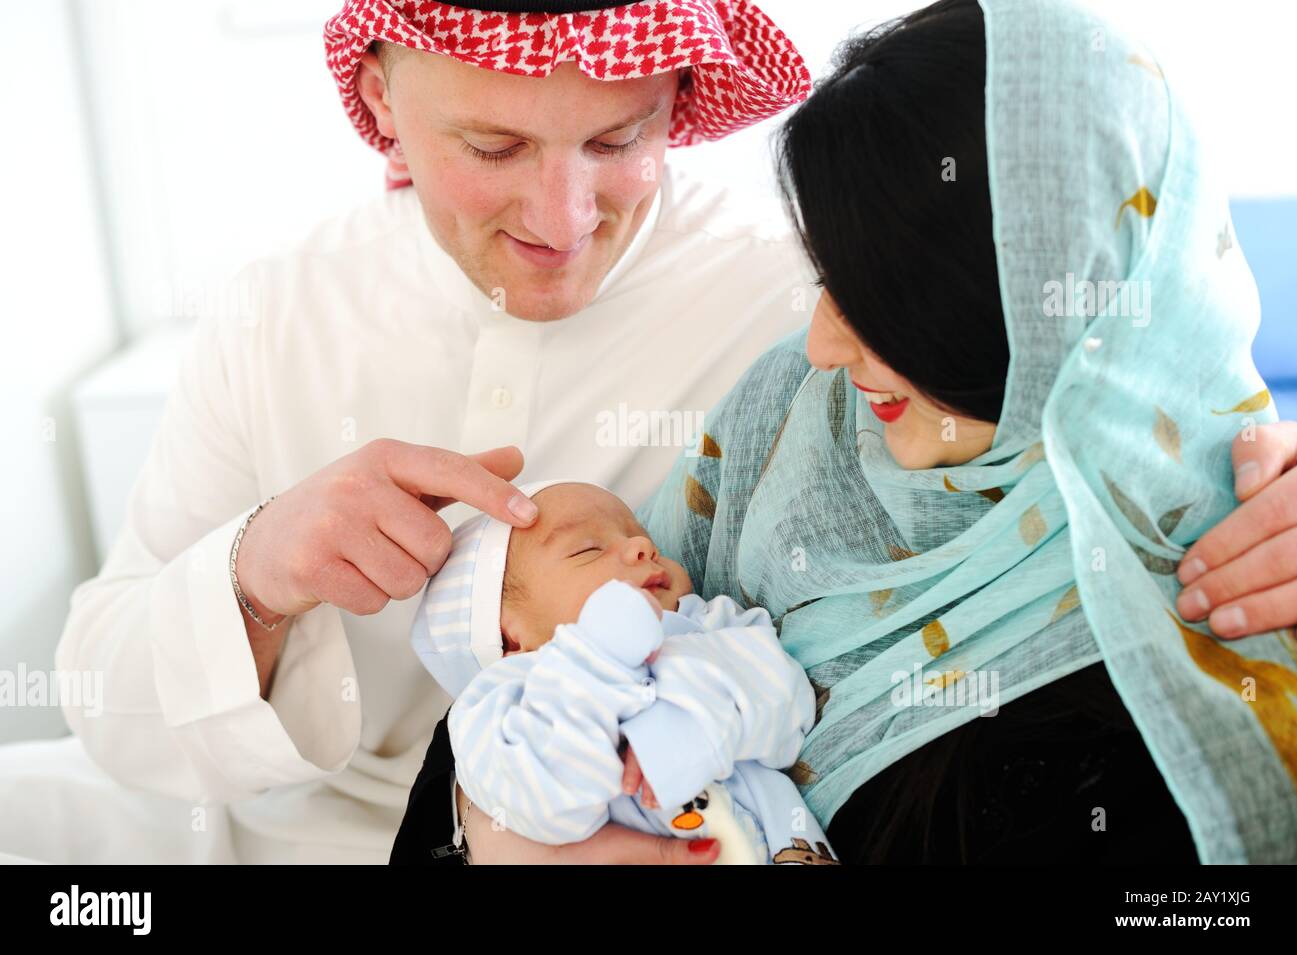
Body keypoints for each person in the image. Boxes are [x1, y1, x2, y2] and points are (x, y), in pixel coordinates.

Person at [415, 0, 1297, 864]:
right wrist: (492, 828)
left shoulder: (1205, 641)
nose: (822, 344)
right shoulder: (785, 420)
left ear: (1027, 323)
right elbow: (508, 680)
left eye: (882, 308)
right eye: (825, 279)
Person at [0, 0, 814, 865]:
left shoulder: (788, 310)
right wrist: (257, 572)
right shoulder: (277, 312)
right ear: (381, 102)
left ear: (679, 94)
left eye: (617, 141)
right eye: (493, 148)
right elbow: (108, 705)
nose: (563, 216)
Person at [399, 479, 838, 864]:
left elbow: (789, 704)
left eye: (645, 539)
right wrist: (598, 663)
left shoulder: (712, 627)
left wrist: (670, 730)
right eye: (589, 549)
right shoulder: (496, 706)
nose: (641, 547)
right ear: (511, 635)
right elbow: (547, 802)